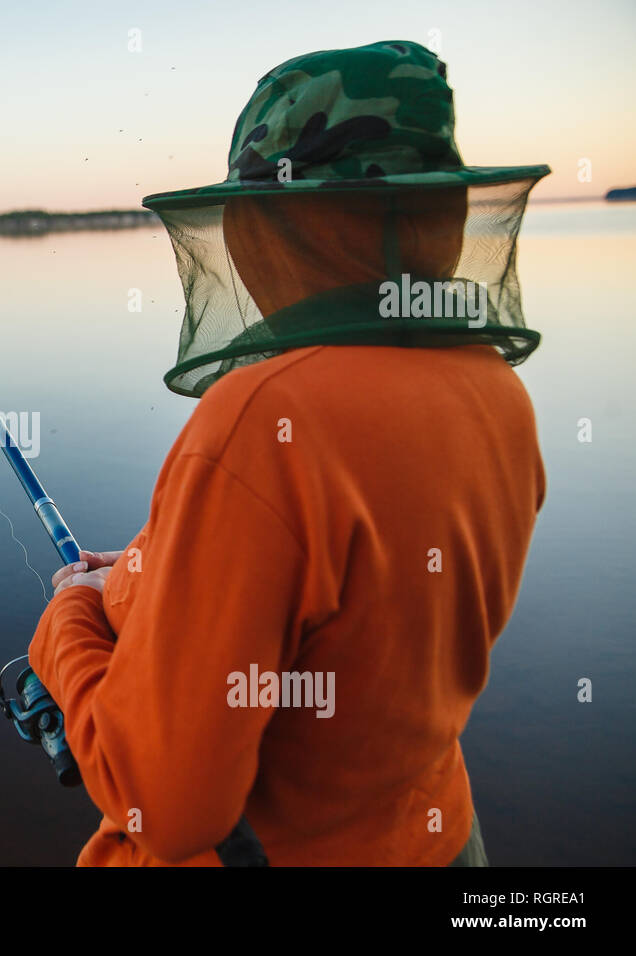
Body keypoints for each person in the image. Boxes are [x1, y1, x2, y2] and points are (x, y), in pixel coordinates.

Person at [27, 39, 549, 866]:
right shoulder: (493, 392)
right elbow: (342, 579)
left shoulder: (263, 418)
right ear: (432, 215)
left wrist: (68, 621)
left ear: (273, 226)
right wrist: (140, 569)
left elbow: (164, 806)